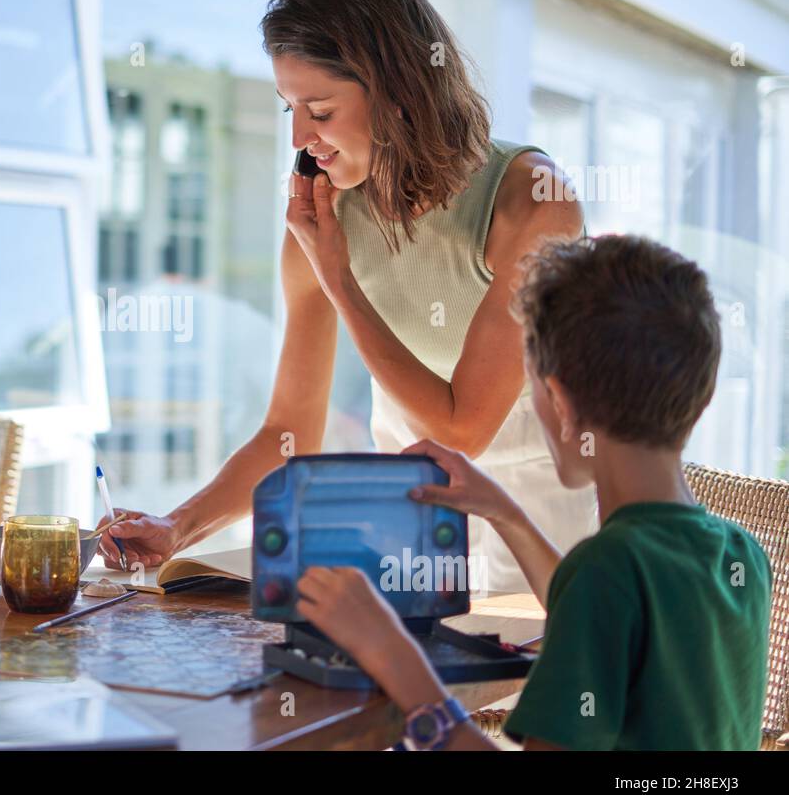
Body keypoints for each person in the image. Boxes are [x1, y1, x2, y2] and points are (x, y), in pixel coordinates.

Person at [99, 0, 594, 593]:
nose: (303, 138)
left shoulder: (533, 201)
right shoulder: (326, 210)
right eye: (290, 111)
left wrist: (338, 276)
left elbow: (463, 428)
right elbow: (288, 433)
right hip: (408, 501)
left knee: (524, 689)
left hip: (537, 501)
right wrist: (177, 525)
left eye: (322, 110)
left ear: (397, 96)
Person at [299, 235, 771, 750]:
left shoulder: (606, 572)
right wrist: (506, 514)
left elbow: (599, 602)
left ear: (561, 404)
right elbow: (608, 621)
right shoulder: (738, 556)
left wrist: (388, 651)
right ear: (699, 396)